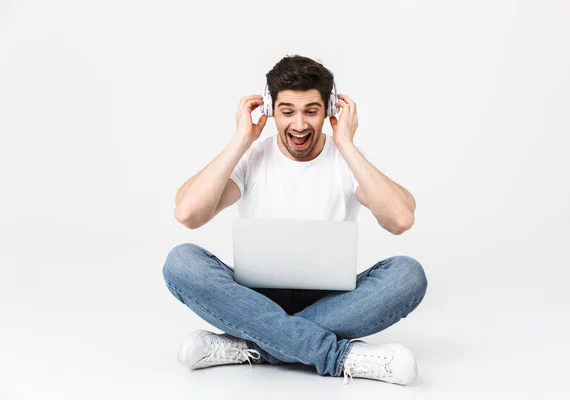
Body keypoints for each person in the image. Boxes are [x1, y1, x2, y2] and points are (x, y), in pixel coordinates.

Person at [162, 55, 428, 386]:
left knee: (408, 275)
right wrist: (241, 140)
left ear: (330, 110)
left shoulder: (347, 161)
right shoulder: (253, 157)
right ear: (271, 110)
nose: (299, 125)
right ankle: (338, 356)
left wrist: (346, 143)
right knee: (181, 263)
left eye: (311, 111)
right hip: (254, 300)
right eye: (287, 111)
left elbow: (401, 219)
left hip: (331, 302)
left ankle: (252, 346)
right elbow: (188, 213)